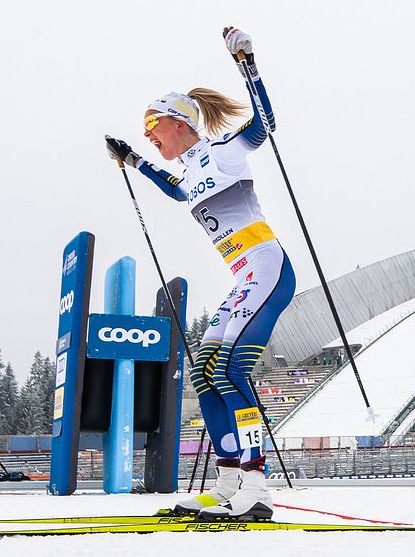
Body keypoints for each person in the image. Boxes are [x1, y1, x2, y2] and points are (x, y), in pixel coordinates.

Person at [106, 27, 295, 520]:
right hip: (243, 278)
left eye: (153, 123)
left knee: (232, 370)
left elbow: (265, 123)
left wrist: (246, 61)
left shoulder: (227, 150)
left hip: (267, 267)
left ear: (181, 122)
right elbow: (173, 188)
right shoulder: (189, 172)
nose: (149, 131)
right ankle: (229, 479)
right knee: (205, 372)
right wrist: (133, 159)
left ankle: (257, 485)